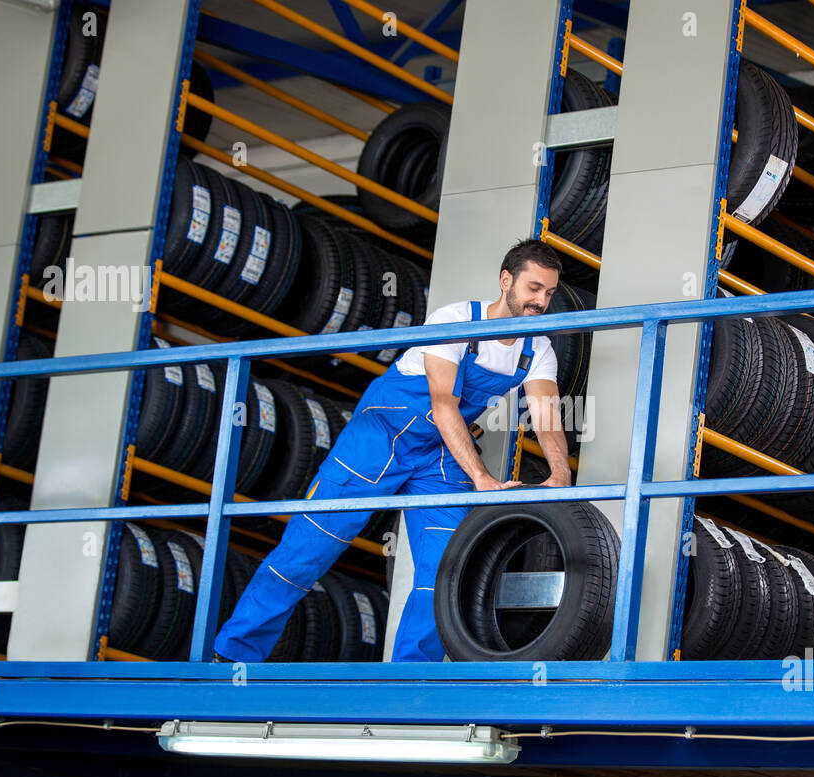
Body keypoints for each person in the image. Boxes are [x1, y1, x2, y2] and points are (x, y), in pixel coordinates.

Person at [213, 238, 574, 662]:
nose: (540, 302)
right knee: (307, 549)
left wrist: (559, 476)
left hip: (440, 455)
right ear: (505, 280)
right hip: (382, 435)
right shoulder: (457, 320)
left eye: (548, 293)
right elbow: (443, 406)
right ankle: (234, 655)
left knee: (447, 571)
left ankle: (409, 677)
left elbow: (547, 417)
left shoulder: (537, 349)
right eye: (533, 289)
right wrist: (482, 480)